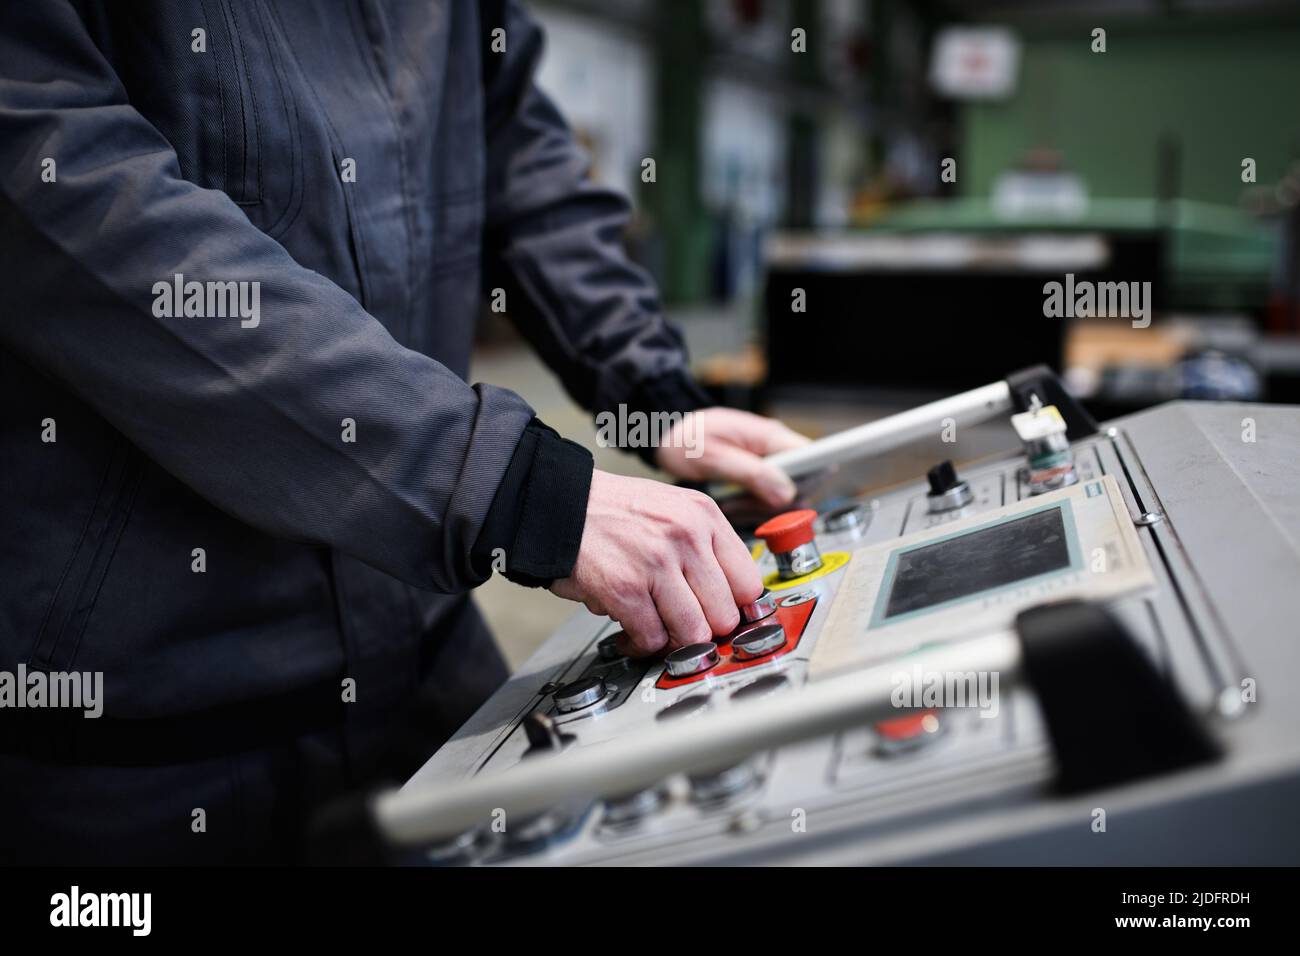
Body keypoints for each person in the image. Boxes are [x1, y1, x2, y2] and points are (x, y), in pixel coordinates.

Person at [0, 1, 806, 863]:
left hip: (420, 647)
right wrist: (504, 487)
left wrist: (649, 387)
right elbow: (64, 191)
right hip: (154, 717)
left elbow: (519, 160)